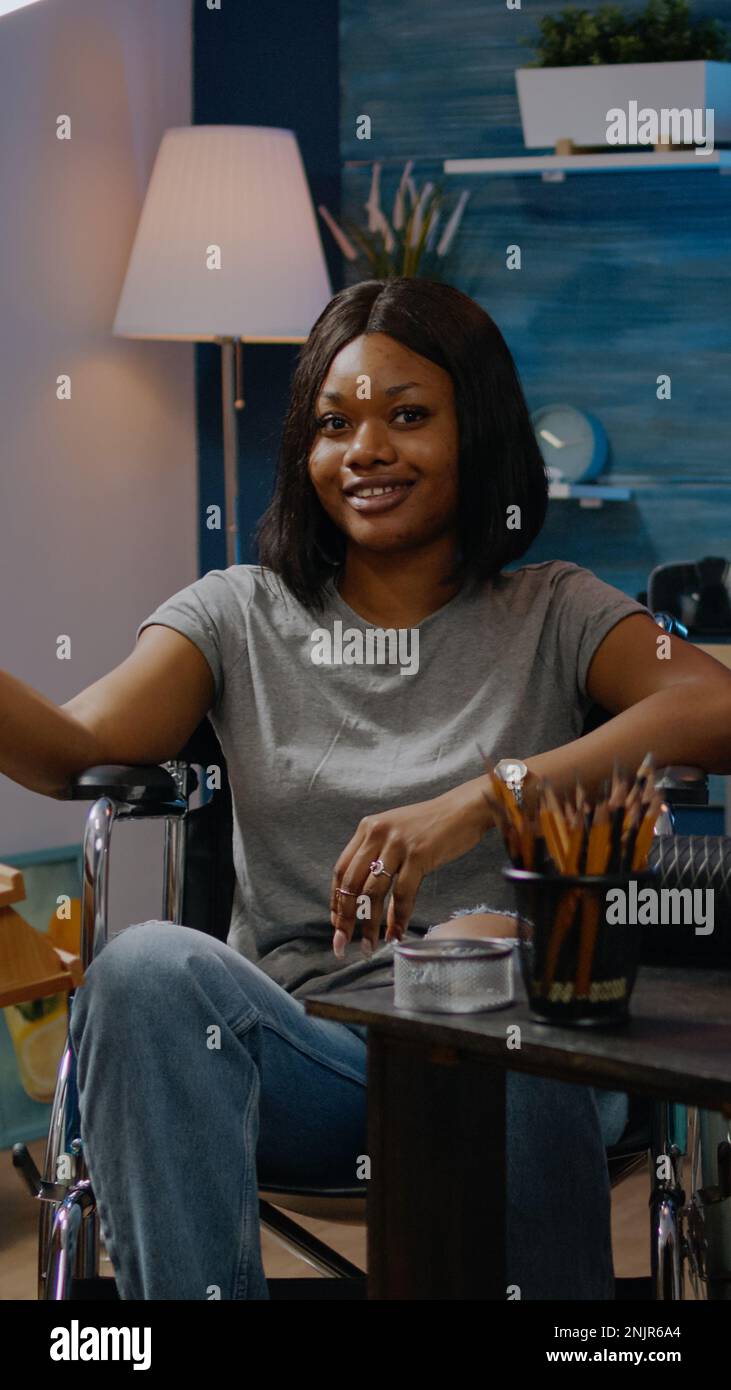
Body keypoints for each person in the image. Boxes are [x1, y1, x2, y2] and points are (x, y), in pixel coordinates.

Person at [3, 278, 730, 1301]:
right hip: (314, 1057)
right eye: (333, 423)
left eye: (407, 416)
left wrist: (486, 797)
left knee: (507, 1015)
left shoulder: (553, 608)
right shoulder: (236, 613)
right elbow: (71, 747)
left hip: (522, 1050)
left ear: (474, 430)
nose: (365, 451)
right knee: (142, 967)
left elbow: (711, 707)